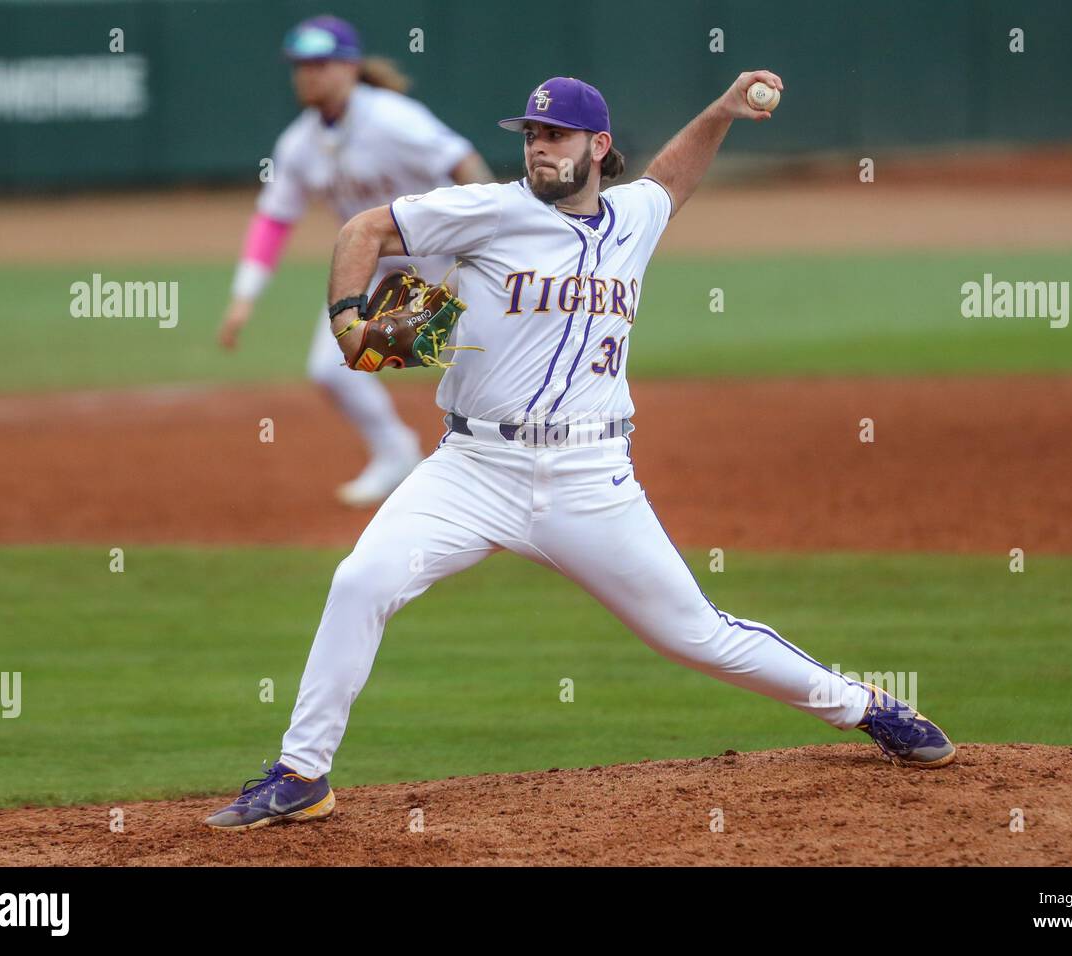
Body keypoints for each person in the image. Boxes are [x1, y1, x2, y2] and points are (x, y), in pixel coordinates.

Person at [206, 71, 955, 830]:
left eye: (555, 135)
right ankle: (302, 773)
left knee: (694, 635)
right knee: (359, 581)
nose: (538, 147)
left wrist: (723, 110)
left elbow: (673, 176)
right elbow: (363, 229)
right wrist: (347, 321)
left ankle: (866, 707)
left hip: (591, 480)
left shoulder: (634, 217)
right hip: (472, 469)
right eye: (531, 135)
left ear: (598, 146)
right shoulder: (488, 209)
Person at [217, 15, 492, 506]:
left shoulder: (392, 118)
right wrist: (243, 298)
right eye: (301, 65)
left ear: (350, 67)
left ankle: (501, 464)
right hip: (377, 264)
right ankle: (396, 453)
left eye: (320, 64)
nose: (308, 75)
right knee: (329, 367)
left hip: (448, 258)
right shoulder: (299, 144)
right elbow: (274, 219)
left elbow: (462, 161)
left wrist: (499, 233)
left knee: (487, 359)